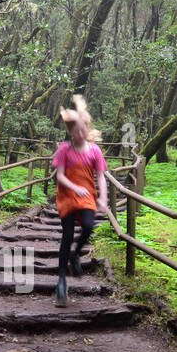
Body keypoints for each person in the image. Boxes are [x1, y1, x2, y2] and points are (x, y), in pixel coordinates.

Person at [51, 95, 107, 307]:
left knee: (88, 226)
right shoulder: (64, 149)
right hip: (67, 197)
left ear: (87, 128)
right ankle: (61, 282)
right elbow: (60, 175)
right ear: (70, 132)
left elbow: (101, 175)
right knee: (66, 236)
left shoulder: (95, 151)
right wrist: (75, 187)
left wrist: (103, 198)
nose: (80, 134)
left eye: (83, 129)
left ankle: (76, 254)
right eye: (75, 131)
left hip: (87, 198)